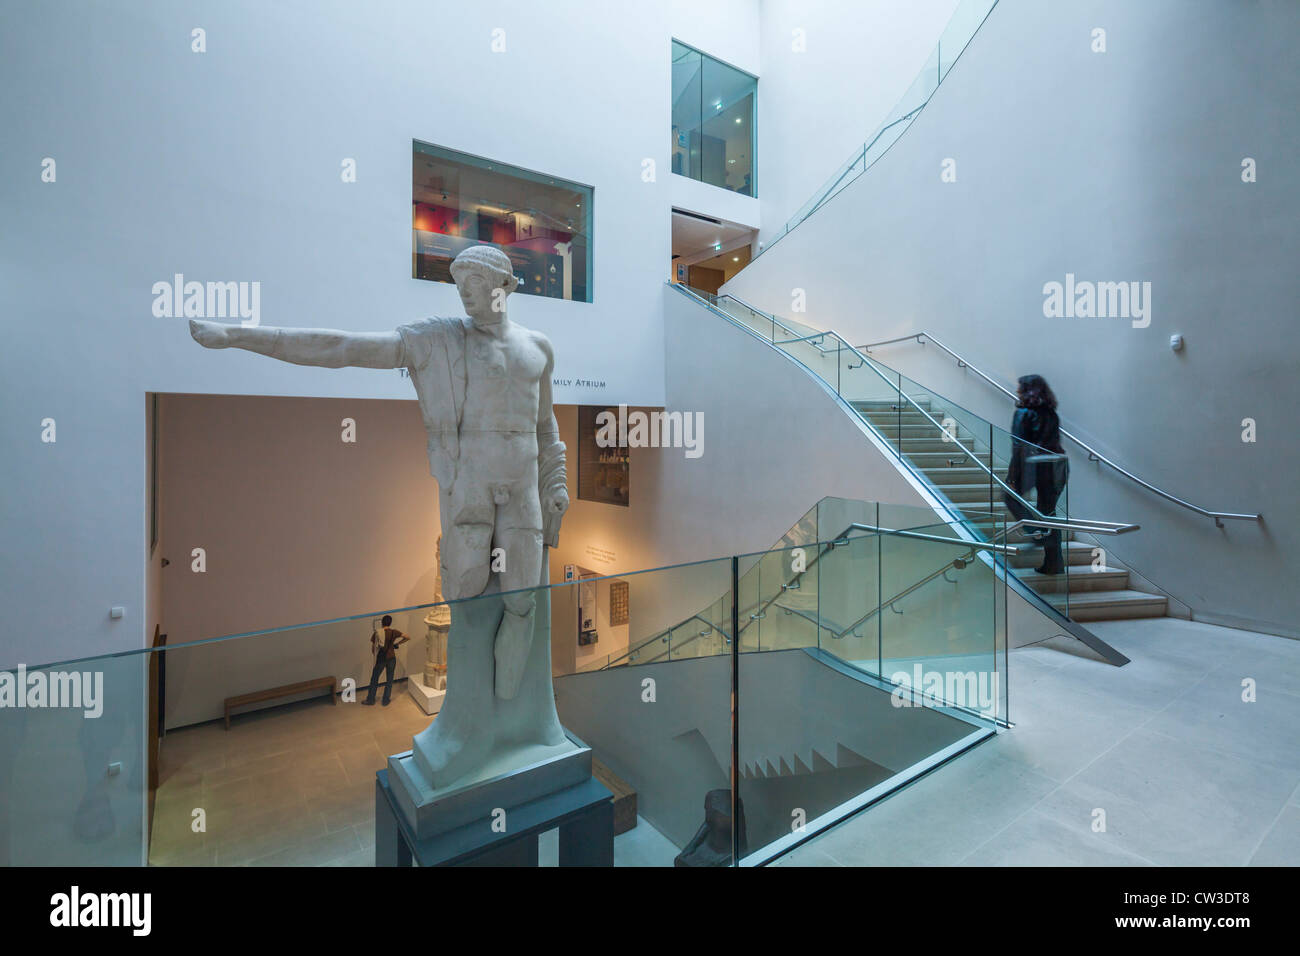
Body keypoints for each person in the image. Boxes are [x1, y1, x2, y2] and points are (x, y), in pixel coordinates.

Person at [1003, 374, 1069, 575]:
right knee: (1048, 513)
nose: (1017, 390)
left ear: (1026, 390)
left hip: (1035, 465)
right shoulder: (1050, 413)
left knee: (1009, 496)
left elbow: (1019, 447)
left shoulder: (1023, 413)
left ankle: (1035, 533)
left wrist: (1012, 476)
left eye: (1019, 387)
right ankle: (1054, 563)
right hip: (1058, 465)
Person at [363, 615, 409, 706]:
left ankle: (371, 699)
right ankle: (386, 700)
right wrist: (397, 644)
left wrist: (375, 656)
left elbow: (373, 648)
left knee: (374, 679)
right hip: (392, 658)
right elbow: (407, 637)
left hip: (381, 659)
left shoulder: (377, 633)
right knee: (389, 679)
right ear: (390, 623)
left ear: (382, 622)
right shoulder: (394, 632)